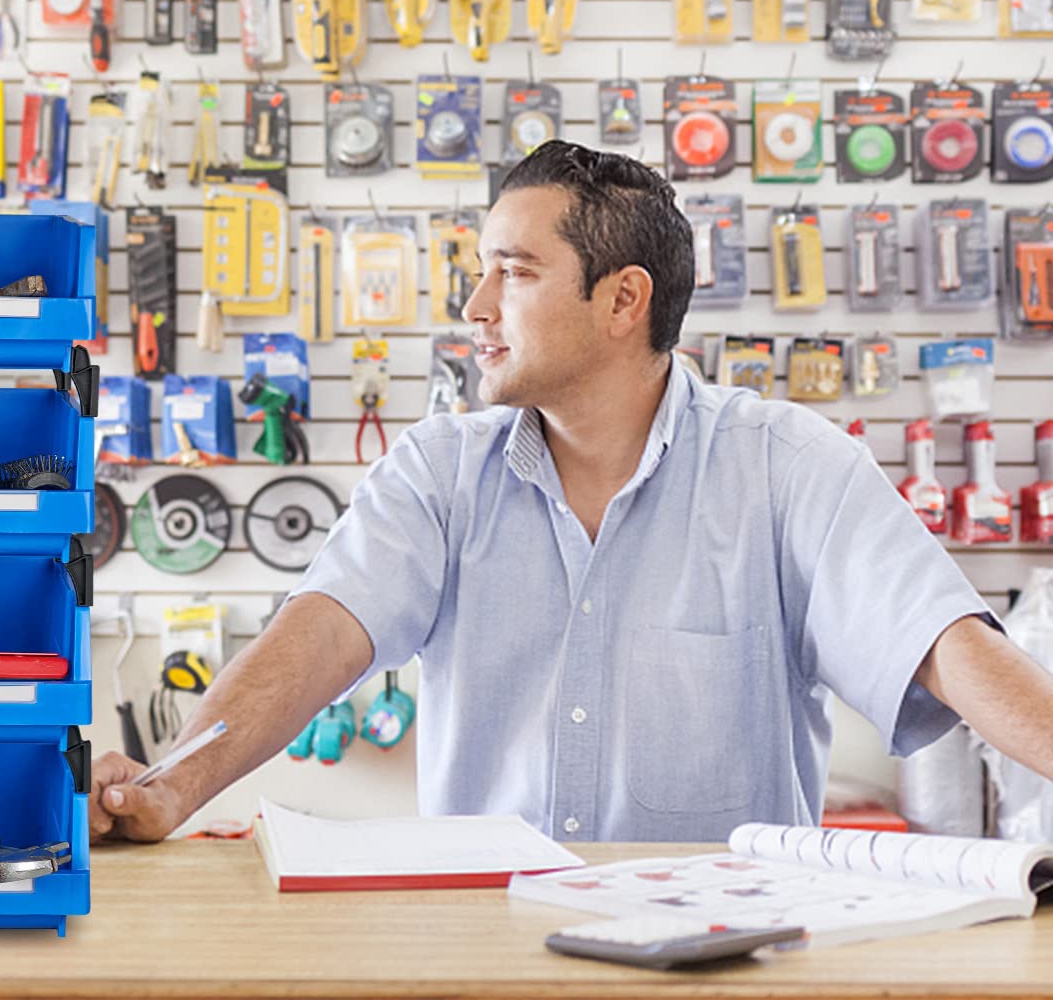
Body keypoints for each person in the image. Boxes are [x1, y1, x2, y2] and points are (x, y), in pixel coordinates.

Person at [91, 142, 1053, 844]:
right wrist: (176, 782)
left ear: (623, 300)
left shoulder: (789, 467)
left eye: (511, 274)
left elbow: (945, 647)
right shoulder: (437, 472)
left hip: (726, 963)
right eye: (481, 274)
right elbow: (315, 640)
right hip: (489, 957)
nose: (474, 309)